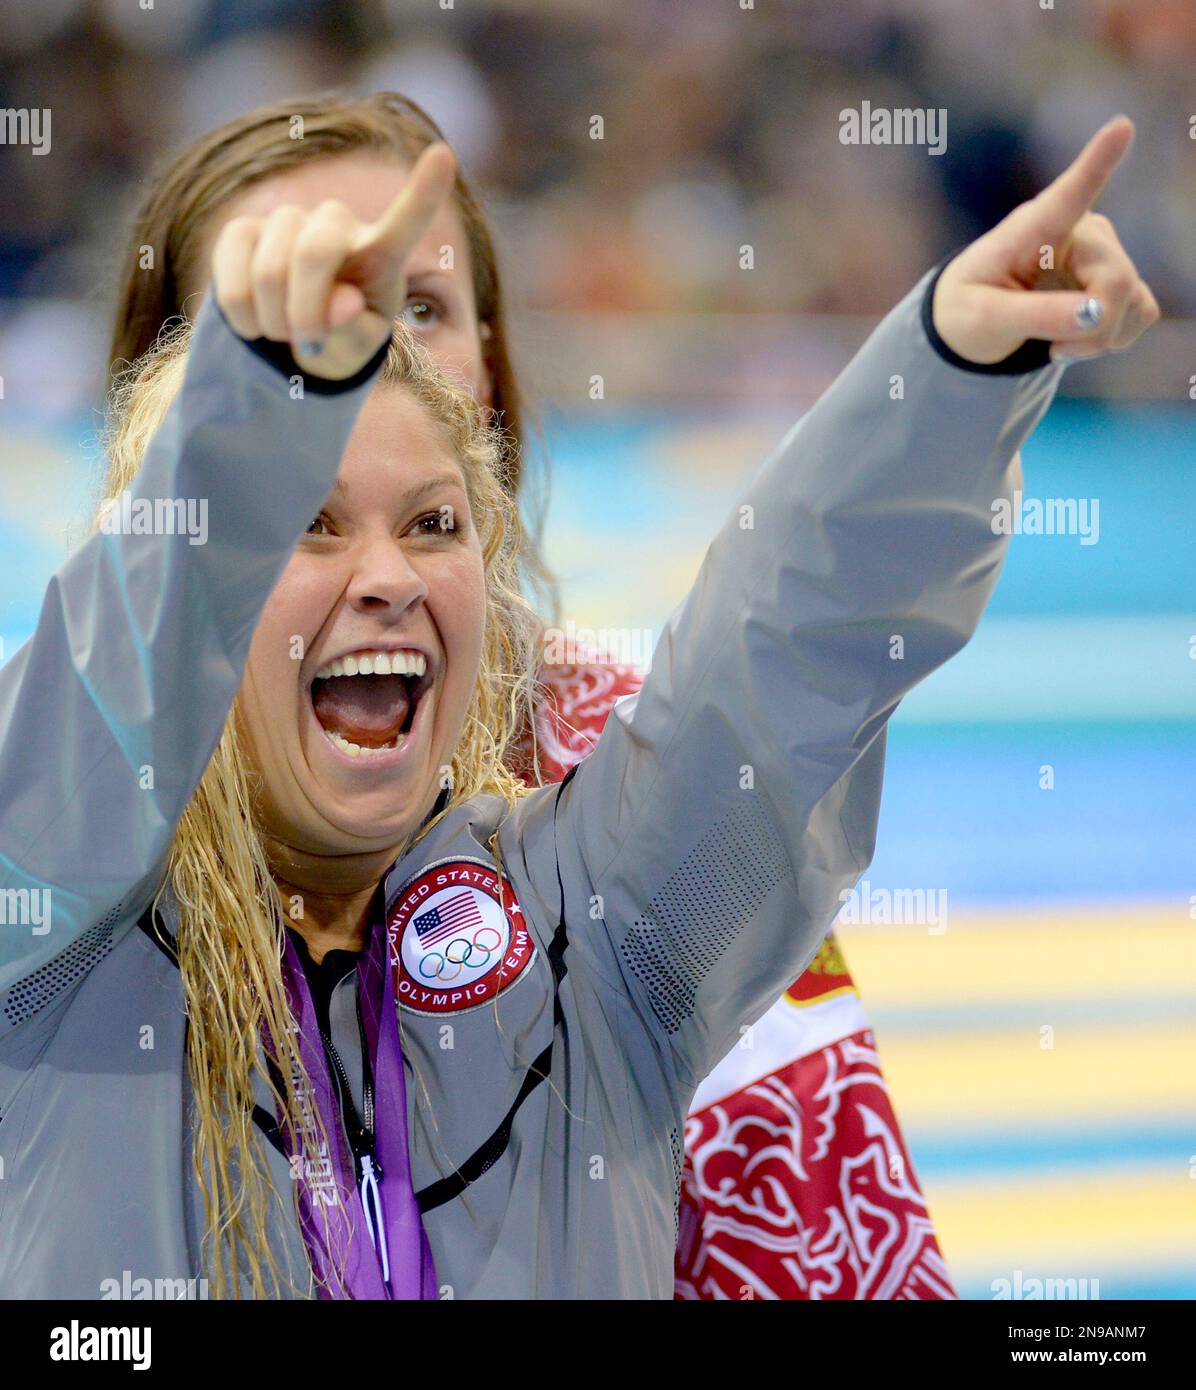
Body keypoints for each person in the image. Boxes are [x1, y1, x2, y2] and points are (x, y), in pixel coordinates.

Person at [0, 118, 1157, 1299]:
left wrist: (951, 381)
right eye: (304, 515)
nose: (391, 576)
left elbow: (785, 655)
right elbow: (112, 687)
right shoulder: (47, 929)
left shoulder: (594, 923)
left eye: (433, 524)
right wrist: (255, 413)